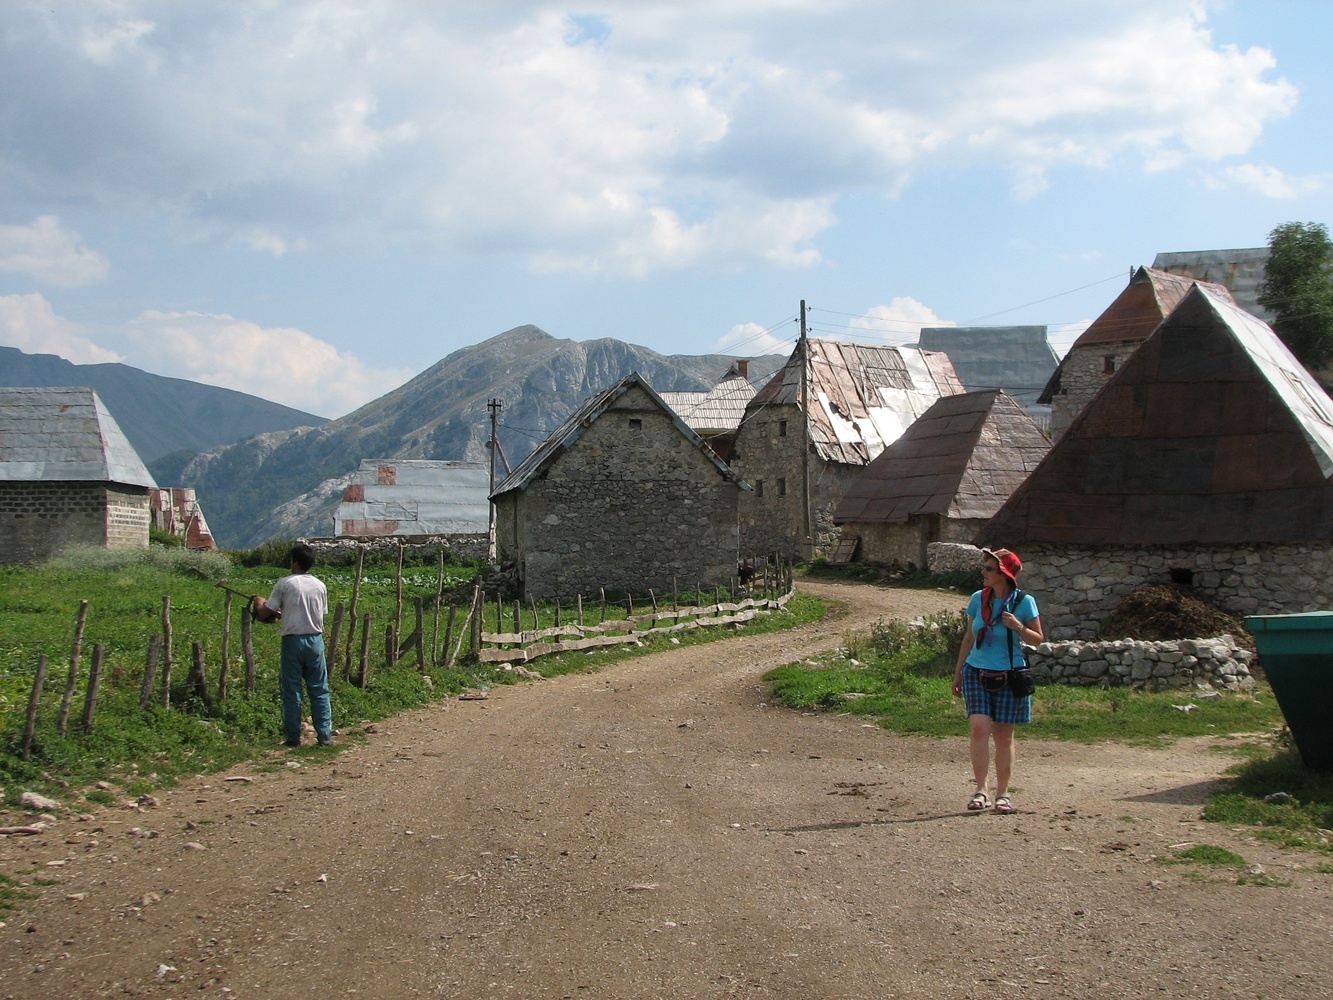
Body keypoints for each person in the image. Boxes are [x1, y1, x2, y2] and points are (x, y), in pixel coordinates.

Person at [951, 547, 1042, 814]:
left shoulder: (1025, 602)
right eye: (985, 568)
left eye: (989, 568)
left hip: (1009, 674)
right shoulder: (978, 599)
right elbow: (969, 637)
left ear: (1004, 574)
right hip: (975, 671)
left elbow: (1037, 639)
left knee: (1003, 736)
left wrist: (1019, 627)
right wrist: (957, 673)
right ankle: (981, 790)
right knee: (979, 728)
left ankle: (1003, 794)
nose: (984, 572)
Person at [253, 543, 334, 747]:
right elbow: (319, 613)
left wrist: (258, 601)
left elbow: (265, 612)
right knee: (319, 688)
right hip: (315, 640)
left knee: (292, 689)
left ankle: (292, 737)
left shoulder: (285, 583)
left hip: (293, 641)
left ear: (295, 562)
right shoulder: (320, 585)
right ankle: (324, 735)